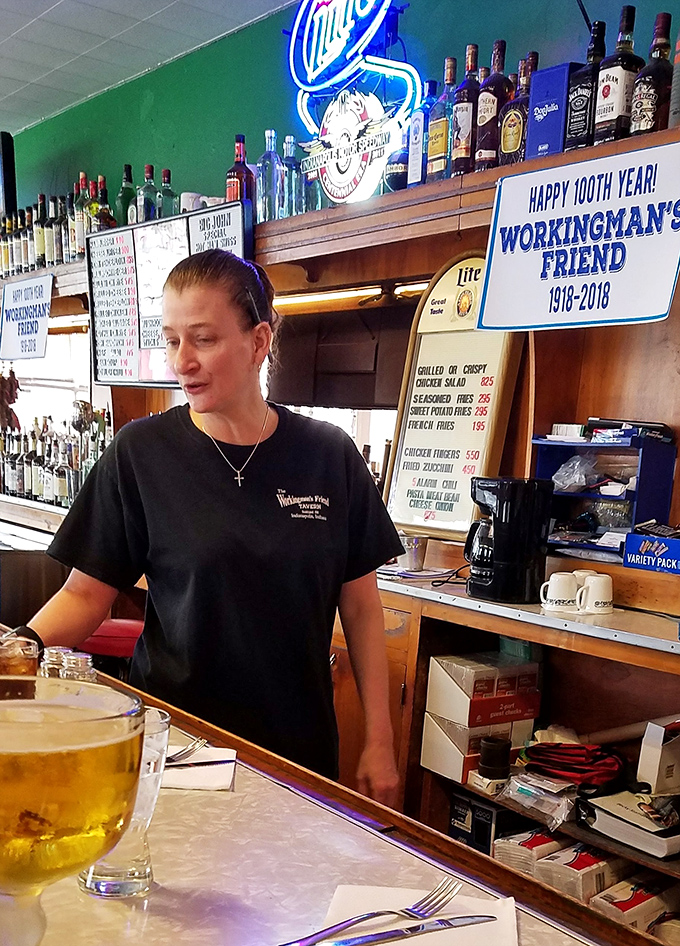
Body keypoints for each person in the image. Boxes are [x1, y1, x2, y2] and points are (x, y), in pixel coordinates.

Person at [23, 249, 404, 805]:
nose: (183, 360)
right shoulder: (141, 453)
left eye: (202, 338)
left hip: (296, 754)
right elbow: (85, 594)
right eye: (172, 338)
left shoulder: (329, 455)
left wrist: (379, 741)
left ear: (258, 342)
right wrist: (17, 652)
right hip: (176, 750)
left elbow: (363, 609)